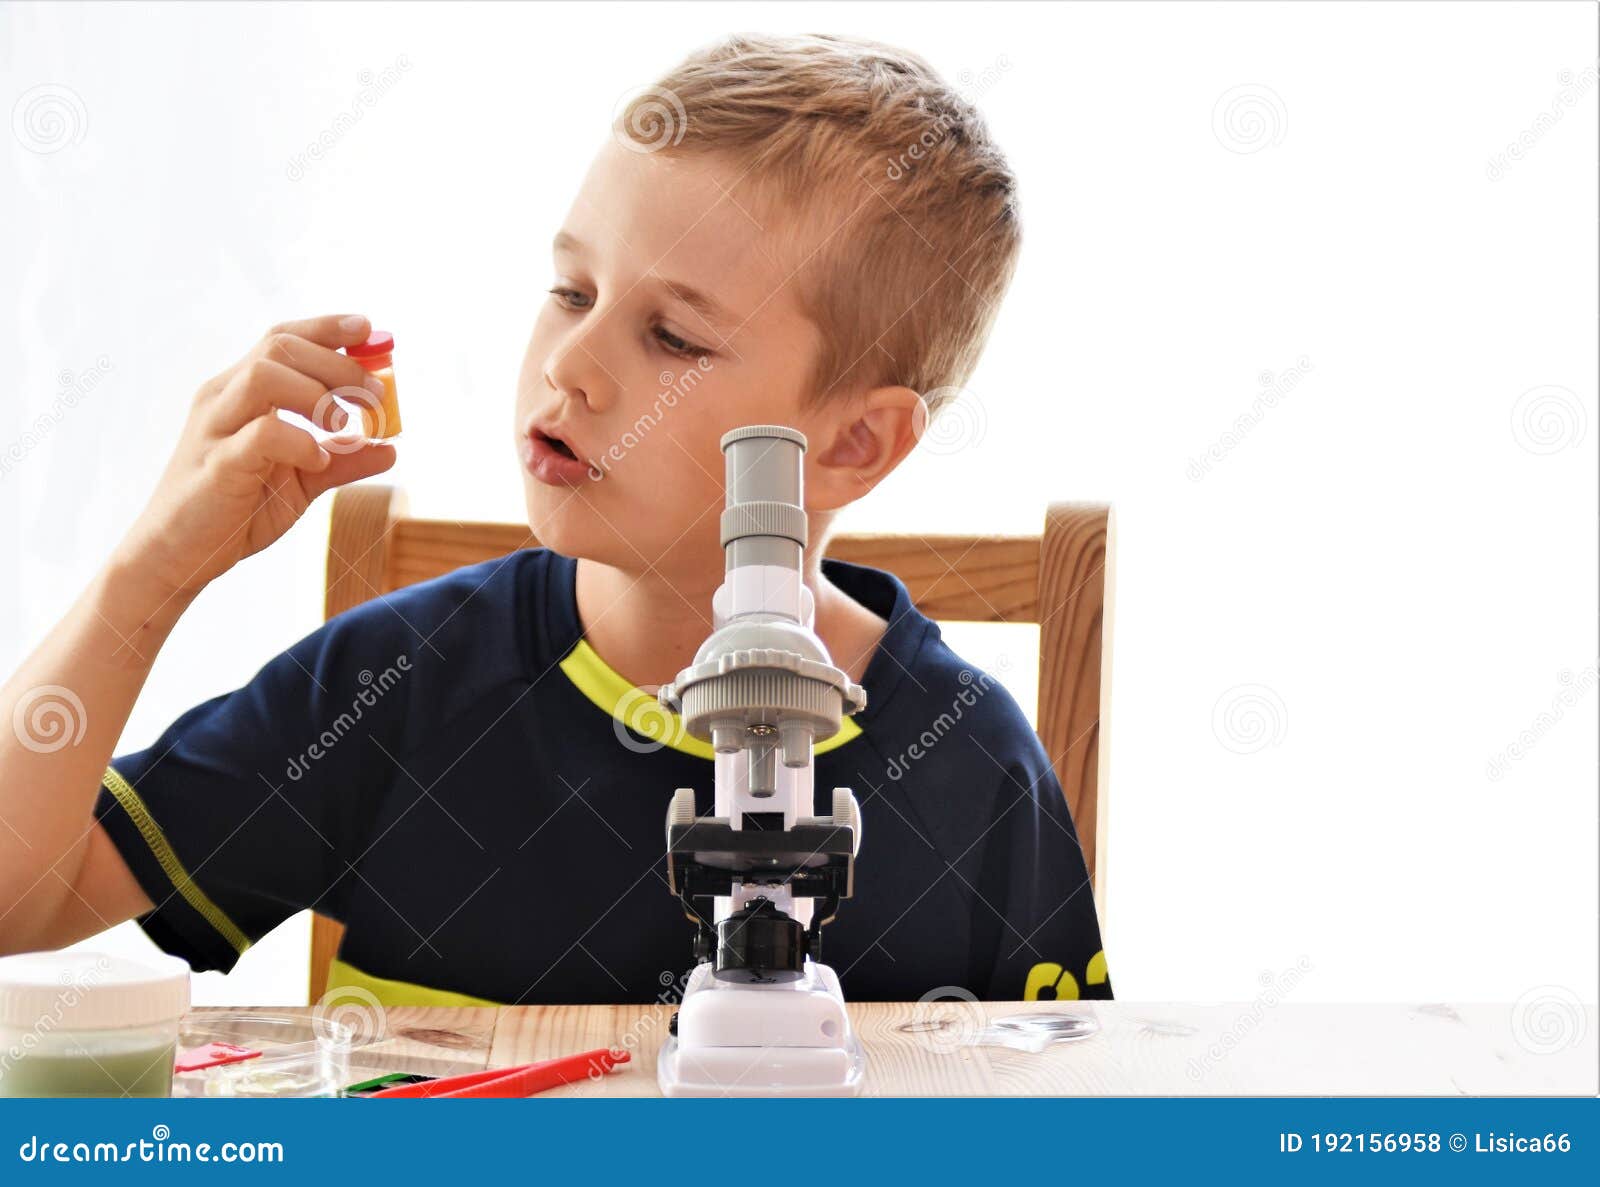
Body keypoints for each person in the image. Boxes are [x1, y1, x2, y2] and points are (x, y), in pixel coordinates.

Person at [0, 33, 1110, 1006]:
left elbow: (1074, 1111)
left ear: (853, 444)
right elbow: (18, 900)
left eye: (673, 338)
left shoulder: (971, 770)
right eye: (572, 292)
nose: (569, 365)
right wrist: (153, 571)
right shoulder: (397, 691)